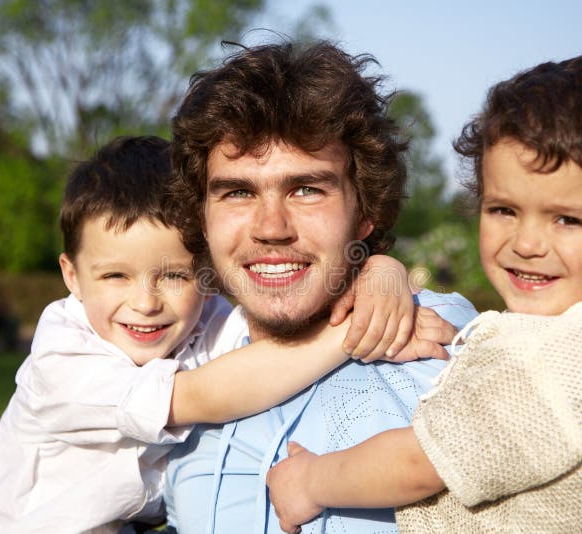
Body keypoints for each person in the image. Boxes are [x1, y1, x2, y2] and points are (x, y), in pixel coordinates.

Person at [0, 136, 448, 534]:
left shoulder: (202, 320)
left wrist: (378, 272)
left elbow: (274, 336)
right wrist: (356, 332)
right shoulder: (62, 357)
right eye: (115, 276)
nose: (146, 302)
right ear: (71, 276)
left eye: (174, 276)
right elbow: (203, 395)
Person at [266, 54, 582, 533]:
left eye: (567, 219)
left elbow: (415, 465)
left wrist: (310, 481)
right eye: (504, 210)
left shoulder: (552, 369)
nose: (527, 243)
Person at [161, 41, 479, 534]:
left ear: (365, 210)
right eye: (238, 192)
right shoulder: (172, 392)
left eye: (306, 189)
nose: (271, 228)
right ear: (203, 219)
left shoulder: (452, 348)